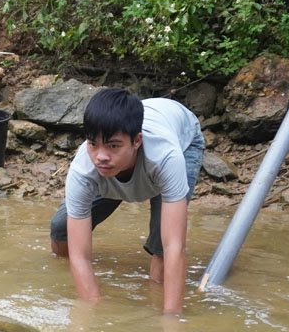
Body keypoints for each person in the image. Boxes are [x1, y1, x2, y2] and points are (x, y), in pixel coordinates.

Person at [50, 88, 205, 314]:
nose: (101, 156)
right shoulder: (83, 170)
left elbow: (174, 246)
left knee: (160, 249)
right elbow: (80, 255)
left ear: (137, 141)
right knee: (61, 229)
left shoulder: (166, 157)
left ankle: (155, 298)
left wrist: (172, 323)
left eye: (113, 146)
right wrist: (94, 311)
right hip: (118, 172)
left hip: (183, 137)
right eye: (93, 144)